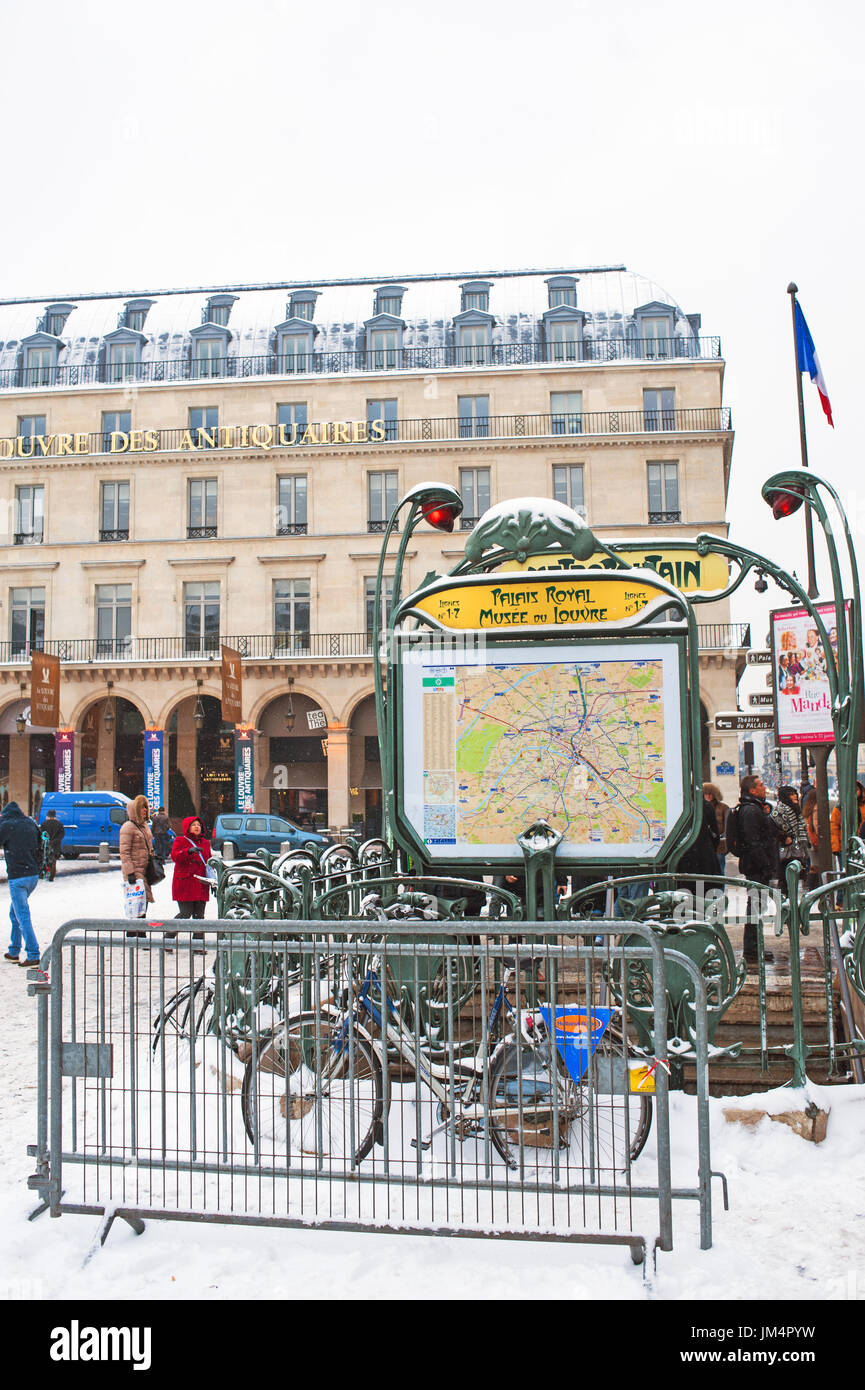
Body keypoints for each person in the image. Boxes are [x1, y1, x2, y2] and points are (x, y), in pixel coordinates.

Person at [735, 774, 777, 966]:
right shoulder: (751, 811)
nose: (763, 787)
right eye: (760, 785)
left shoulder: (752, 809)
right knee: (755, 906)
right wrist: (765, 864)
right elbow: (754, 841)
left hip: (755, 865)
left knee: (757, 906)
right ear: (752, 790)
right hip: (756, 866)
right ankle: (752, 949)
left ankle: (754, 946)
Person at [0, 802, 43, 967]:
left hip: (17, 877)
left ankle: (33, 954)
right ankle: (14, 950)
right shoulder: (30, 823)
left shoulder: (7, 825)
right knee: (15, 912)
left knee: (22, 915)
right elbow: (39, 842)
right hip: (32, 875)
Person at [119, 795, 156, 937]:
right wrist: (130, 873)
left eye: (146, 807)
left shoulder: (144, 826)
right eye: (142, 808)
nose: (145, 810)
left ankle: (138, 932)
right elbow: (124, 852)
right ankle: (136, 933)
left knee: (142, 902)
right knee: (136, 901)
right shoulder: (128, 827)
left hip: (145, 869)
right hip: (135, 870)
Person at [171, 814, 212, 928]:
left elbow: (209, 863)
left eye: (198, 824)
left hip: (201, 884)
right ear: (187, 827)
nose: (196, 827)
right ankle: (168, 938)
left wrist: (212, 880)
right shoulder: (180, 840)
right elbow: (175, 856)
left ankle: (198, 945)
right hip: (185, 884)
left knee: (199, 917)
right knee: (185, 914)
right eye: (193, 825)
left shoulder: (205, 843)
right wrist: (188, 851)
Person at [771, 786, 810, 880]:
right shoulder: (779, 811)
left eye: (795, 793)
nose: (795, 796)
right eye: (791, 794)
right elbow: (773, 828)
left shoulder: (795, 810)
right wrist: (784, 838)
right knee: (785, 879)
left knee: (793, 879)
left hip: (796, 850)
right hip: (785, 852)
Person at [40, 808, 65, 882]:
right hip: (56, 846)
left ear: (48, 816)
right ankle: (51, 876)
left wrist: (46, 841)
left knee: (44, 859)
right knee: (53, 862)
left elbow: (41, 834)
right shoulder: (59, 824)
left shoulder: (44, 824)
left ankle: (43, 874)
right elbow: (61, 835)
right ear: (55, 816)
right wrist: (55, 841)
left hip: (46, 845)